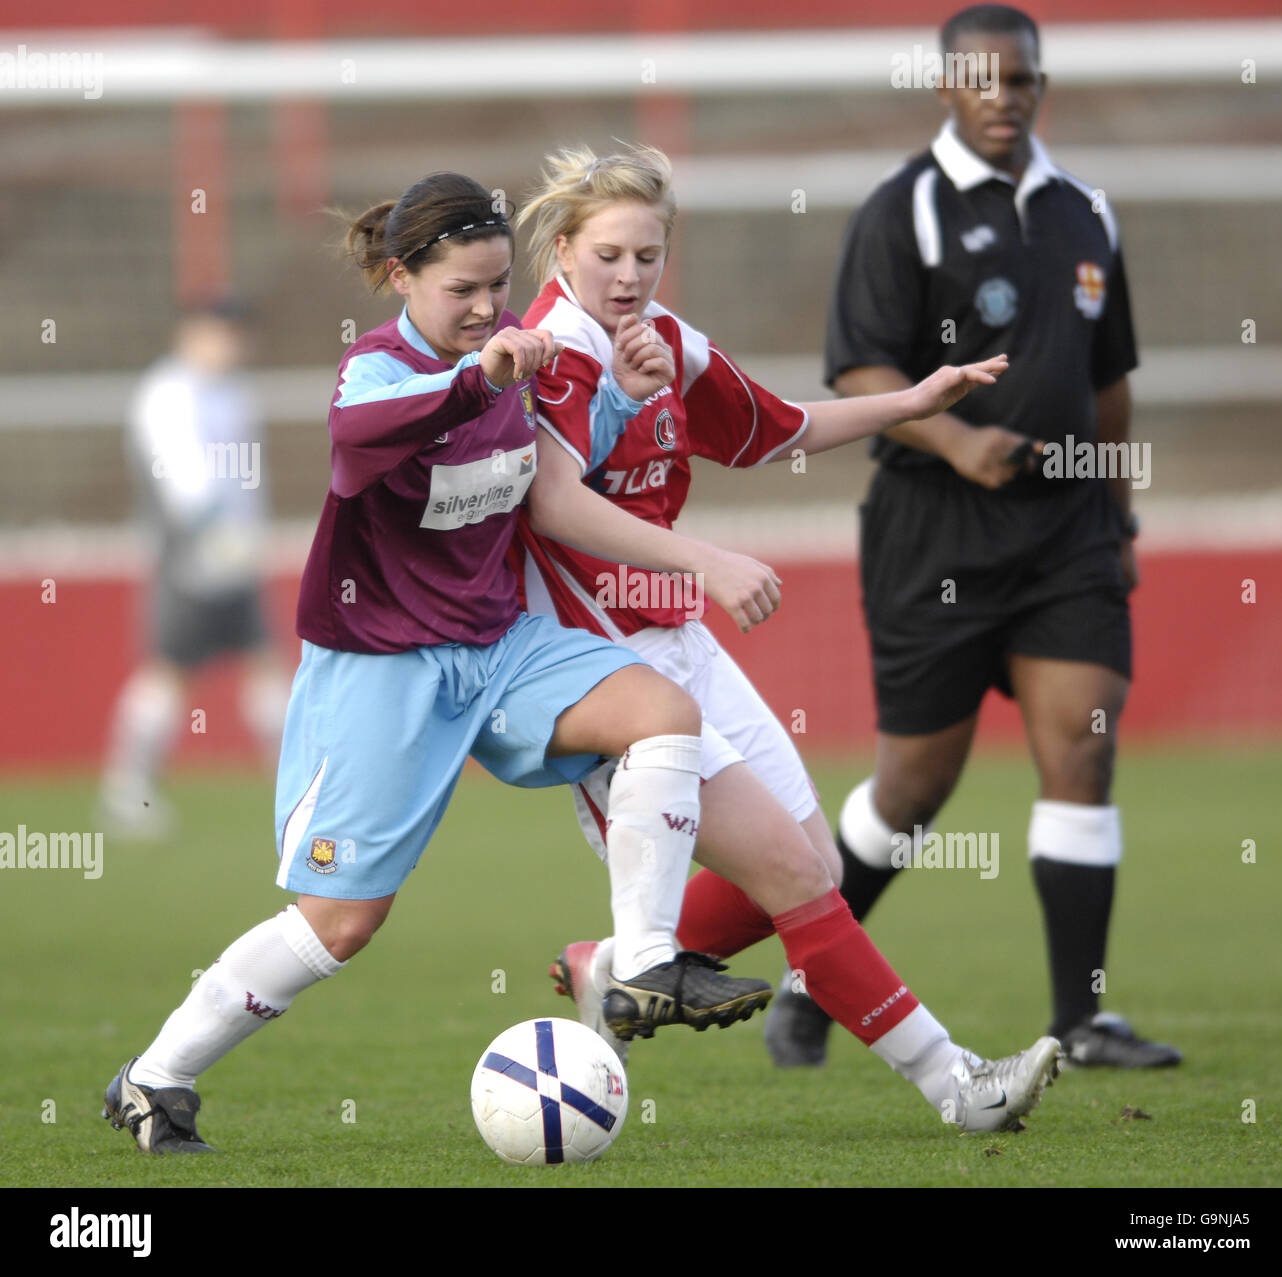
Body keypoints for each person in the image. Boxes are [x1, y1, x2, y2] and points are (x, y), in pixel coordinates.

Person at [101, 172, 776, 1155]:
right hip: (384, 667)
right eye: (460, 286)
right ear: (399, 275)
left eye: (496, 285)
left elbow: (531, 477)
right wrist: (480, 375)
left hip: (497, 644)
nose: (482, 306)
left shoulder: (508, 364)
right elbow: (356, 435)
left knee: (662, 712)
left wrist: (615, 407)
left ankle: (641, 960)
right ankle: (156, 1077)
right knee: (340, 924)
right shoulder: (373, 370)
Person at [511, 143, 1061, 1134]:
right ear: (561, 251)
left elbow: (775, 429)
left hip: (677, 640)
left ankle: (610, 963)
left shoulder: (665, 340)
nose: (631, 275)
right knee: (798, 874)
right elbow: (551, 507)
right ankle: (959, 1084)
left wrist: (911, 400)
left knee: (814, 868)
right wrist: (705, 557)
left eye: (649, 253)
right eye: (610, 255)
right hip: (596, 668)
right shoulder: (550, 351)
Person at [764, 4, 1182, 1069]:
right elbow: (858, 368)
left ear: (1042, 84)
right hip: (933, 530)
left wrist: (1119, 512)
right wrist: (955, 442)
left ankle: (1079, 1018)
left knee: (1082, 747)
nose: (1006, 95)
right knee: (913, 787)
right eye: (984, 78)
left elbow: (1110, 379)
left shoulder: (1087, 211)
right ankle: (813, 977)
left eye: (1022, 77)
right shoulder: (901, 211)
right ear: (945, 85)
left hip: (1067, 532)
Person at [100, 300, 289, 839]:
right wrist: (212, 533)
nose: (230, 344)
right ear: (190, 335)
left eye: (236, 333)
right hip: (188, 560)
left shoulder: (231, 391)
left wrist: (249, 538)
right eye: (219, 333)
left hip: (236, 556)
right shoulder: (168, 393)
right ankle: (127, 792)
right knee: (169, 669)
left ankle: (292, 786)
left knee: (263, 662)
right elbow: (182, 476)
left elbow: (246, 479)